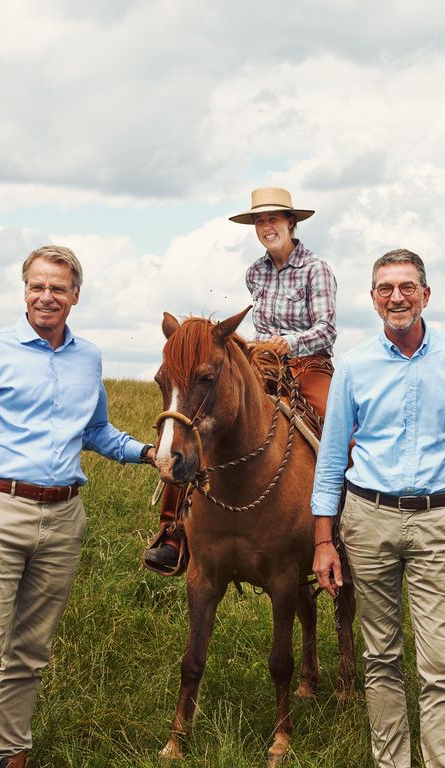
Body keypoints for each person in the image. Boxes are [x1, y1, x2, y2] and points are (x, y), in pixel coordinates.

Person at [0, 245, 156, 768]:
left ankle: (10, 753)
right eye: (37, 286)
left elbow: (95, 430)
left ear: (75, 296)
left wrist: (146, 453)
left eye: (58, 288)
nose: (46, 297)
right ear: (24, 290)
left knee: (30, 653)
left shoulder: (88, 356)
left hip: (63, 518)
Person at [311, 249, 445, 768]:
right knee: (380, 658)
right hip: (367, 519)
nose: (397, 297)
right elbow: (332, 456)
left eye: (407, 287)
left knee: (440, 664)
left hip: (435, 521)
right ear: (372, 299)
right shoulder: (355, 367)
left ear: (426, 295)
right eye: (386, 288)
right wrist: (324, 540)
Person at [142, 187, 338, 574]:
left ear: (291, 223)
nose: (267, 227)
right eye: (260, 221)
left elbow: (327, 328)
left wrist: (290, 342)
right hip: (261, 367)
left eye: (274, 219)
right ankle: (174, 530)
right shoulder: (255, 272)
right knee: (200, 422)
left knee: (339, 432)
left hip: (309, 364)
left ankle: (345, 528)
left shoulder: (316, 269)